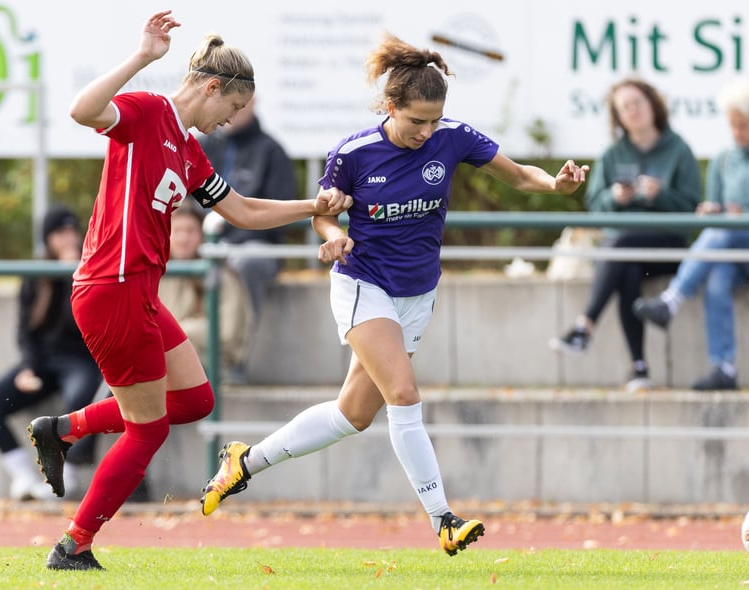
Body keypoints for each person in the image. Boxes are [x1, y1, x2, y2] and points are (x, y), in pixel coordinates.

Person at [199, 32, 588, 557]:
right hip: (364, 284)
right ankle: (444, 519)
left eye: (434, 120)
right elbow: (323, 213)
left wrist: (555, 187)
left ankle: (245, 462)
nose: (426, 132)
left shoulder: (452, 137)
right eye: (415, 122)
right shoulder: (354, 153)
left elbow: (519, 175)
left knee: (351, 415)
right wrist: (335, 239)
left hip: (418, 292)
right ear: (390, 106)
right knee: (403, 396)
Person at [25, 11, 351, 571]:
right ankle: (72, 546)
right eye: (230, 109)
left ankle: (65, 429)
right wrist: (143, 57)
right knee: (147, 430)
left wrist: (312, 207)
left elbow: (243, 211)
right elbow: (81, 111)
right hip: (113, 290)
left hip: (140, 294)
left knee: (196, 400)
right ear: (211, 87)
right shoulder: (149, 111)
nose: (228, 122)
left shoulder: (191, 151)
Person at [633, 78, 749, 391]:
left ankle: (671, 300)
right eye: (732, 125)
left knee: (728, 229)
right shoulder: (724, 159)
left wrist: (746, 219)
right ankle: (724, 368)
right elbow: (717, 220)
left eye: (743, 125)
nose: (736, 132)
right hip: (736, 249)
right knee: (718, 274)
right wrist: (714, 212)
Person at [548, 79, 701, 393]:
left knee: (618, 246)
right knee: (627, 268)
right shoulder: (613, 154)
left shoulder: (679, 149)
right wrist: (616, 198)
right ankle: (639, 368)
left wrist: (660, 195)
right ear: (617, 116)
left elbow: (691, 208)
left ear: (652, 105)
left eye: (637, 103)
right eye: (624, 107)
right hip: (625, 250)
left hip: (666, 244)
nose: (632, 111)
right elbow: (595, 206)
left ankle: (585, 325)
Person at [0, 204, 103, 502]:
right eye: (60, 233)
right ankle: (22, 475)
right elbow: (26, 329)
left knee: (79, 400)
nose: (68, 239)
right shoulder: (35, 274)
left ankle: (65, 473)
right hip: (44, 362)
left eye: (72, 231)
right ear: (48, 238)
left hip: (79, 359)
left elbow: (82, 323)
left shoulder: (89, 268)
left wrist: (72, 276)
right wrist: (28, 367)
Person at [198, 98, 298, 383]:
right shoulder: (203, 145)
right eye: (227, 102)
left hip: (252, 246)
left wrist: (229, 243)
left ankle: (233, 359)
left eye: (238, 104)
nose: (230, 112)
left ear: (253, 104)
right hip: (200, 242)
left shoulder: (272, 151)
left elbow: (279, 215)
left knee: (248, 261)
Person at [160, 203, 253, 374]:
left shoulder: (222, 275)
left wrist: (180, 333)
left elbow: (228, 332)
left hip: (211, 361)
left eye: (190, 231)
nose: (183, 238)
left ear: (202, 235)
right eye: (177, 231)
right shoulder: (158, 273)